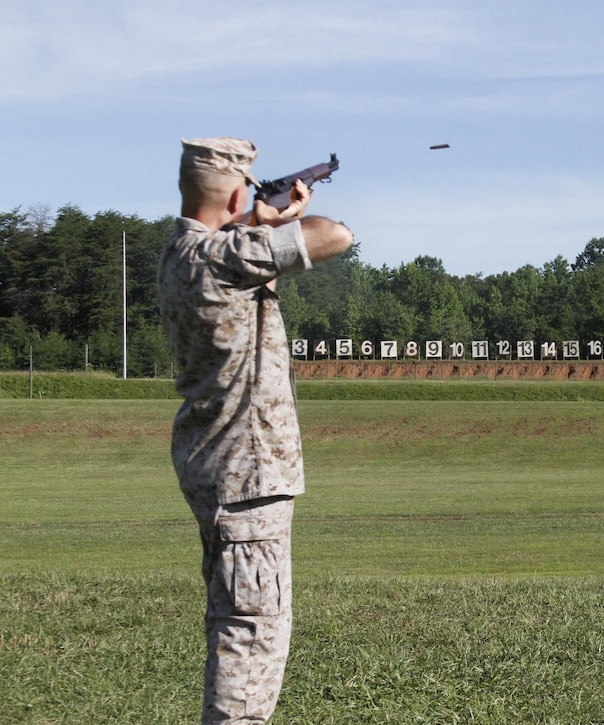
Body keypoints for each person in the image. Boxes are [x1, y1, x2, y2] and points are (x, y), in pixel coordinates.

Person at [157, 137, 353, 724]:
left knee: (237, 619)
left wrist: (254, 219)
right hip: (247, 471)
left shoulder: (178, 252)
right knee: (251, 636)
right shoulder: (222, 256)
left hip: (219, 463)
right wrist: (277, 218)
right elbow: (335, 234)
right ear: (240, 191)